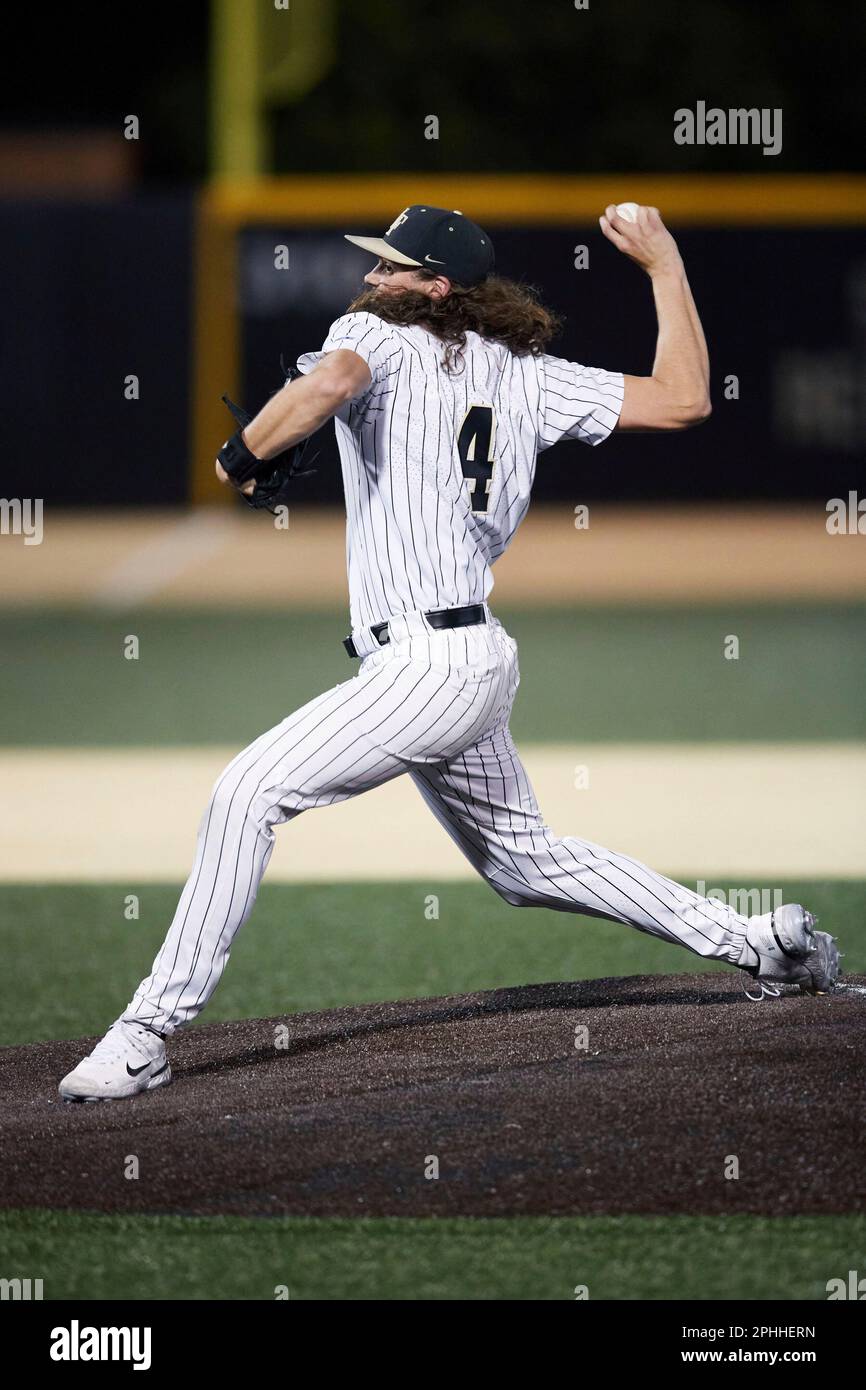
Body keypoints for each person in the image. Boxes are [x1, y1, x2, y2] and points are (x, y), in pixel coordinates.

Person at [59, 204, 839, 1101]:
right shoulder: (530, 373)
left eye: (394, 267)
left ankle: (147, 1032)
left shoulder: (373, 332)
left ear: (436, 288)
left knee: (246, 795)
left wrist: (241, 454)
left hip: (425, 666)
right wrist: (666, 266)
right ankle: (757, 941)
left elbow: (325, 386)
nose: (372, 277)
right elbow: (687, 399)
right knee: (525, 861)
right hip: (470, 657)